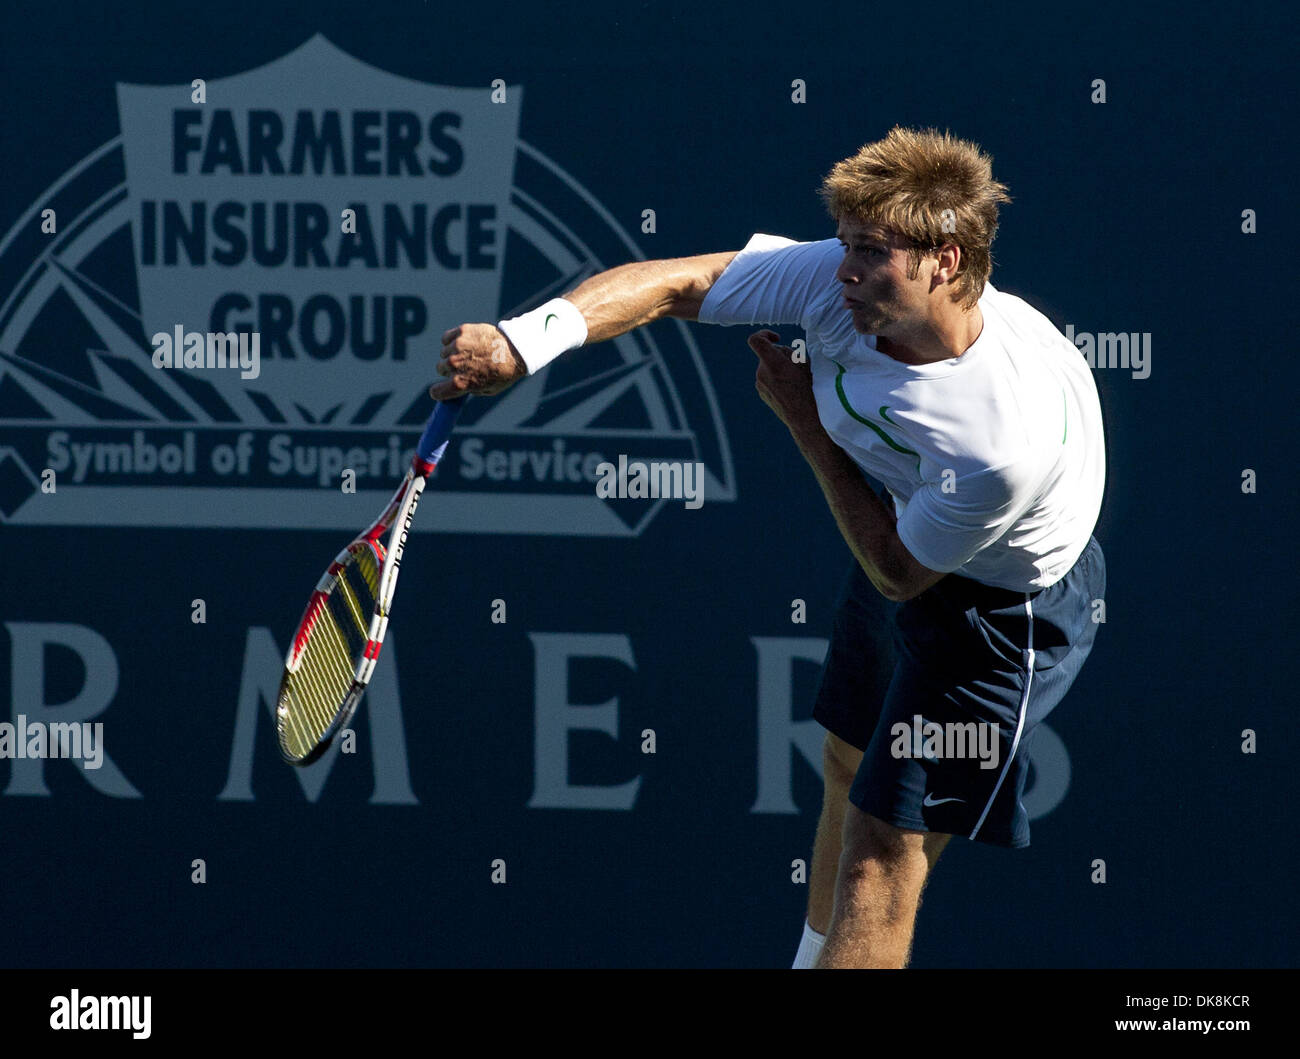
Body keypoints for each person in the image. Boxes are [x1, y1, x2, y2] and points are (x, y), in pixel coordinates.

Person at [429, 125, 1107, 969]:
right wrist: (524, 340)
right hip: (909, 528)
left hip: (1000, 615)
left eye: (874, 251)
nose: (847, 270)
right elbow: (685, 282)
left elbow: (897, 571)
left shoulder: (998, 442)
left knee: (882, 860)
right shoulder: (840, 284)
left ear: (947, 259)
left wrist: (806, 424)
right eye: (847, 244)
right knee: (845, 758)